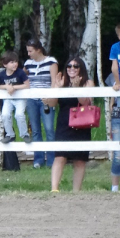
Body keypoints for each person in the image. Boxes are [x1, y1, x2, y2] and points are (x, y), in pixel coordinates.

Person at [47, 58, 94, 193]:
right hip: (64, 122)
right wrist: (57, 87)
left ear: (81, 68)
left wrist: (77, 87)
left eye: (75, 66)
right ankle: (54, 189)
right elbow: (51, 104)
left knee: (79, 159)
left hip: (82, 123)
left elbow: (85, 102)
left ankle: (76, 192)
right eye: (69, 66)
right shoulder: (61, 81)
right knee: (60, 156)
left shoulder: (87, 83)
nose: (71, 68)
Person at [23, 40, 58, 167]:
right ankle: (38, 159)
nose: (28, 54)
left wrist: (52, 97)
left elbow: (54, 81)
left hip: (45, 99)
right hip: (31, 99)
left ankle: (51, 160)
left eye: (30, 51)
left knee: (49, 129)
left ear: (38, 50)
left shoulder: (51, 61)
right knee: (35, 130)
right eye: (28, 51)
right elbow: (23, 77)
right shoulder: (28, 64)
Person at [0, 51, 31, 142]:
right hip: (8, 99)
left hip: (20, 99)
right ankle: (10, 134)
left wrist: (14, 87)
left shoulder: (20, 73)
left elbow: (27, 85)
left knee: (19, 115)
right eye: (12, 62)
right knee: (5, 114)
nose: (15, 64)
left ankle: (24, 134)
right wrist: (6, 87)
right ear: (5, 64)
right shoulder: (1, 75)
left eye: (16, 61)